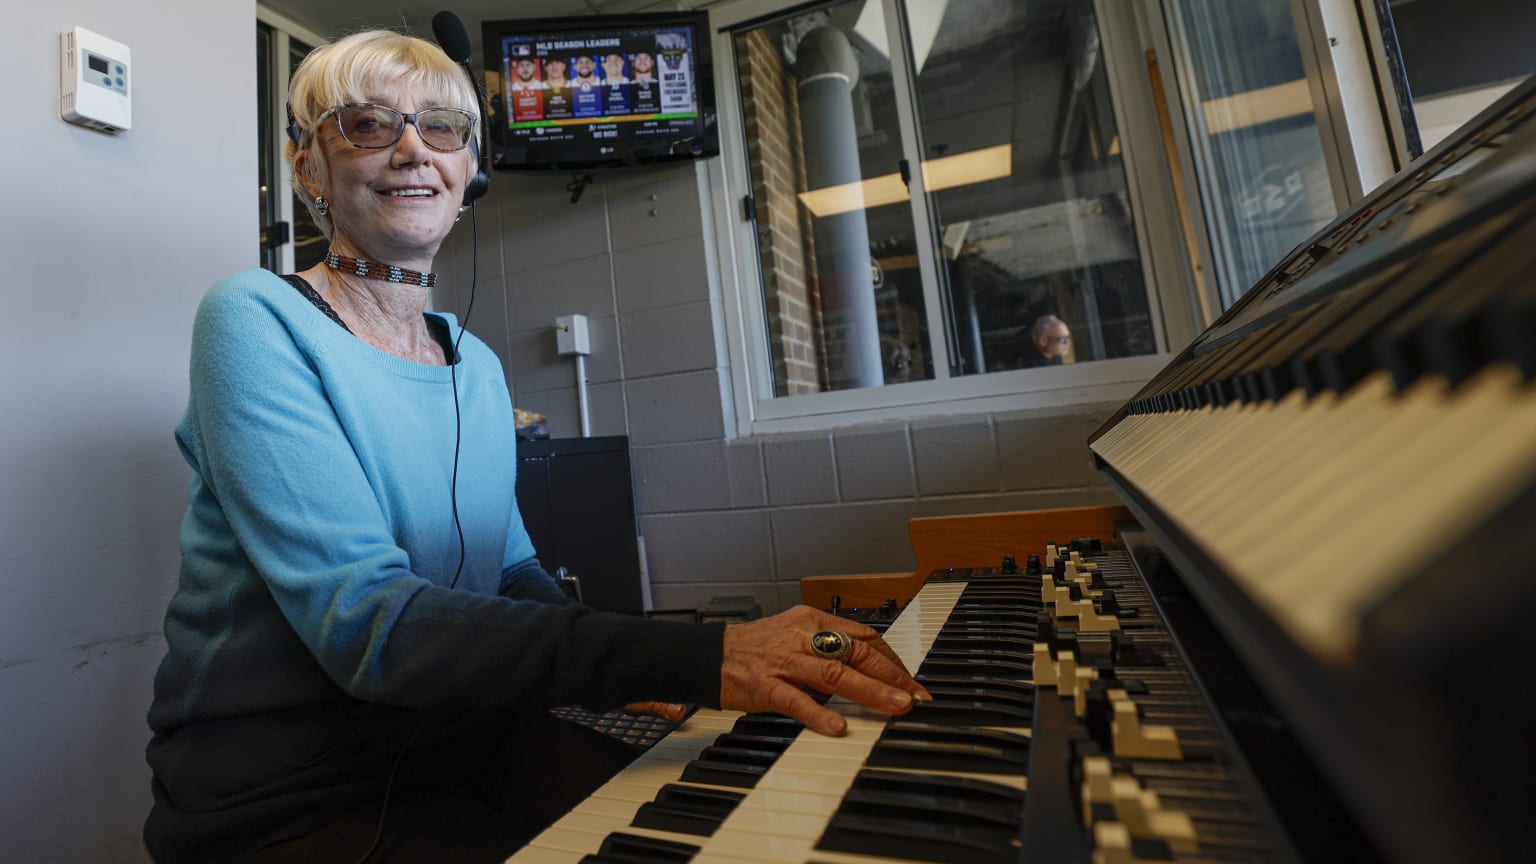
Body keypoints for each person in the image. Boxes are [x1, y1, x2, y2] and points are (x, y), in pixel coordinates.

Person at [143, 29, 927, 864]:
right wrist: (695, 656)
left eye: (442, 127)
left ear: (466, 172)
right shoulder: (253, 319)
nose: (413, 148)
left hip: (473, 742)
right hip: (291, 797)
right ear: (309, 168)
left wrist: (642, 673)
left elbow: (514, 575)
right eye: (369, 124)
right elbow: (368, 627)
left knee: (759, 819)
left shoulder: (472, 366)